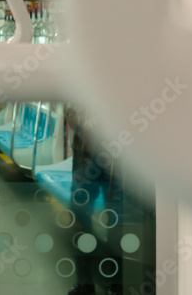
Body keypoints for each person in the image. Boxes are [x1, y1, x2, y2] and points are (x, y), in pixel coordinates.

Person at [66, 104, 123, 295]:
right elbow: (71, 116)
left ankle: (116, 283)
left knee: (116, 223)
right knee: (81, 222)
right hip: (84, 159)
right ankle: (85, 282)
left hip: (114, 161)